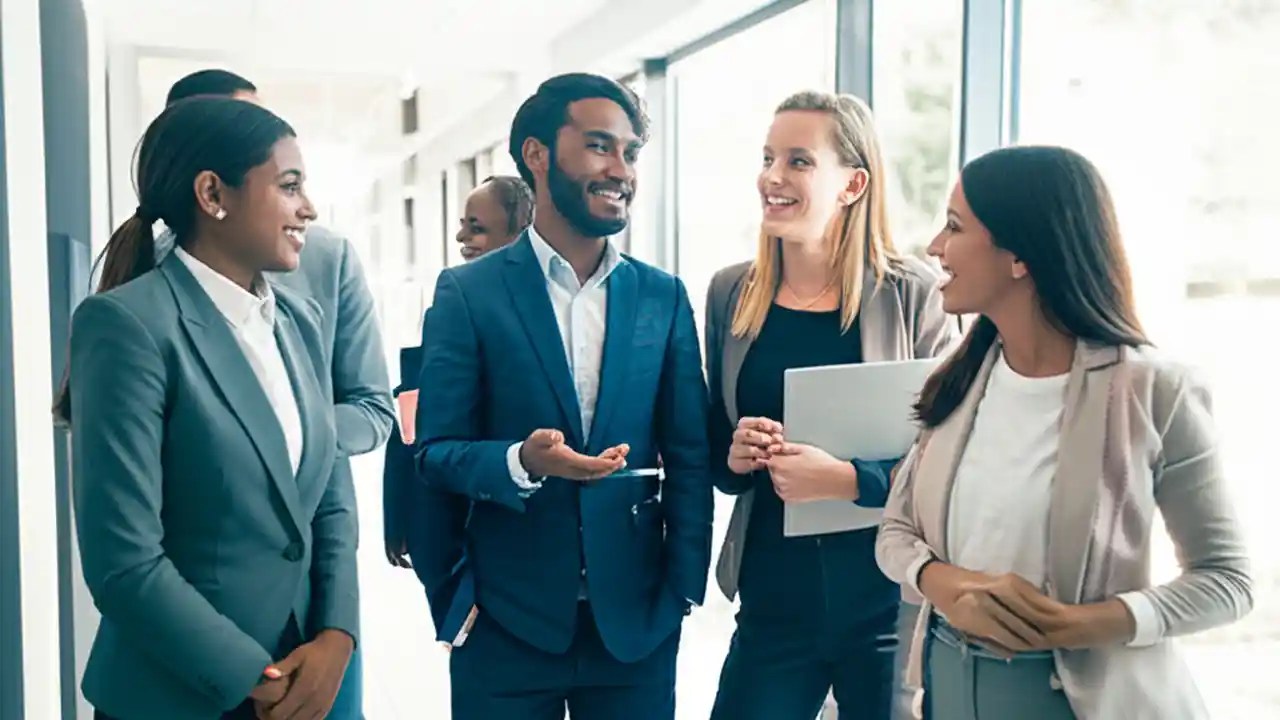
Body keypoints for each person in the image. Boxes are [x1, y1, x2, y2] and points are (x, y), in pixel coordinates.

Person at [876, 145, 1253, 719]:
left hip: (1084, 702)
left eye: (953, 226)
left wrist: (1084, 624)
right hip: (949, 688)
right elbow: (897, 531)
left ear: (1020, 255)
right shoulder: (954, 382)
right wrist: (941, 582)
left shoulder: (1156, 391)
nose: (934, 247)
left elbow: (1228, 581)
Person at [415, 73, 712, 720]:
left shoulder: (662, 297)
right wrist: (520, 460)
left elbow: (689, 455)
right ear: (537, 154)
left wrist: (683, 591)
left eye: (630, 153)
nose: (621, 169)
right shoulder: (467, 294)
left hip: (635, 629)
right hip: (504, 624)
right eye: (600, 146)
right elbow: (435, 454)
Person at [58, 97, 358, 720]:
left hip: (305, 679)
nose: (310, 208)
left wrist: (337, 636)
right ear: (213, 194)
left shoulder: (300, 320)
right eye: (290, 185)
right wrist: (258, 676)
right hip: (179, 691)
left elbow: (329, 496)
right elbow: (123, 560)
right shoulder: (128, 325)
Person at [703, 91, 957, 720]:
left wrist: (845, 480)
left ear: (853, 184)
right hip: (772, 596)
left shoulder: (914, 294)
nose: (772, 177)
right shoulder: (731, 293)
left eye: (798, 161)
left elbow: (950, 461)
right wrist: (735, 455)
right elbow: (709, 447)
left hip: (885, 603)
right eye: (767, 158)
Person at [161, 68, 394, 720]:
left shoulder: (324, 261)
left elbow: (374, 409)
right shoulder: (141, 287)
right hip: (190, 601)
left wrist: (288, 434)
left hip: (318, 585)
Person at [383, 175, 534, 641]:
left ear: (520, 235)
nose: (461, 238)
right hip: (448, 518)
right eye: (462, 225)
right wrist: (398, 512)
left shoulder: (542, 324)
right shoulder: (448, 309)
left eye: (476, 228)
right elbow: (412, 422)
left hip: (512, 537)